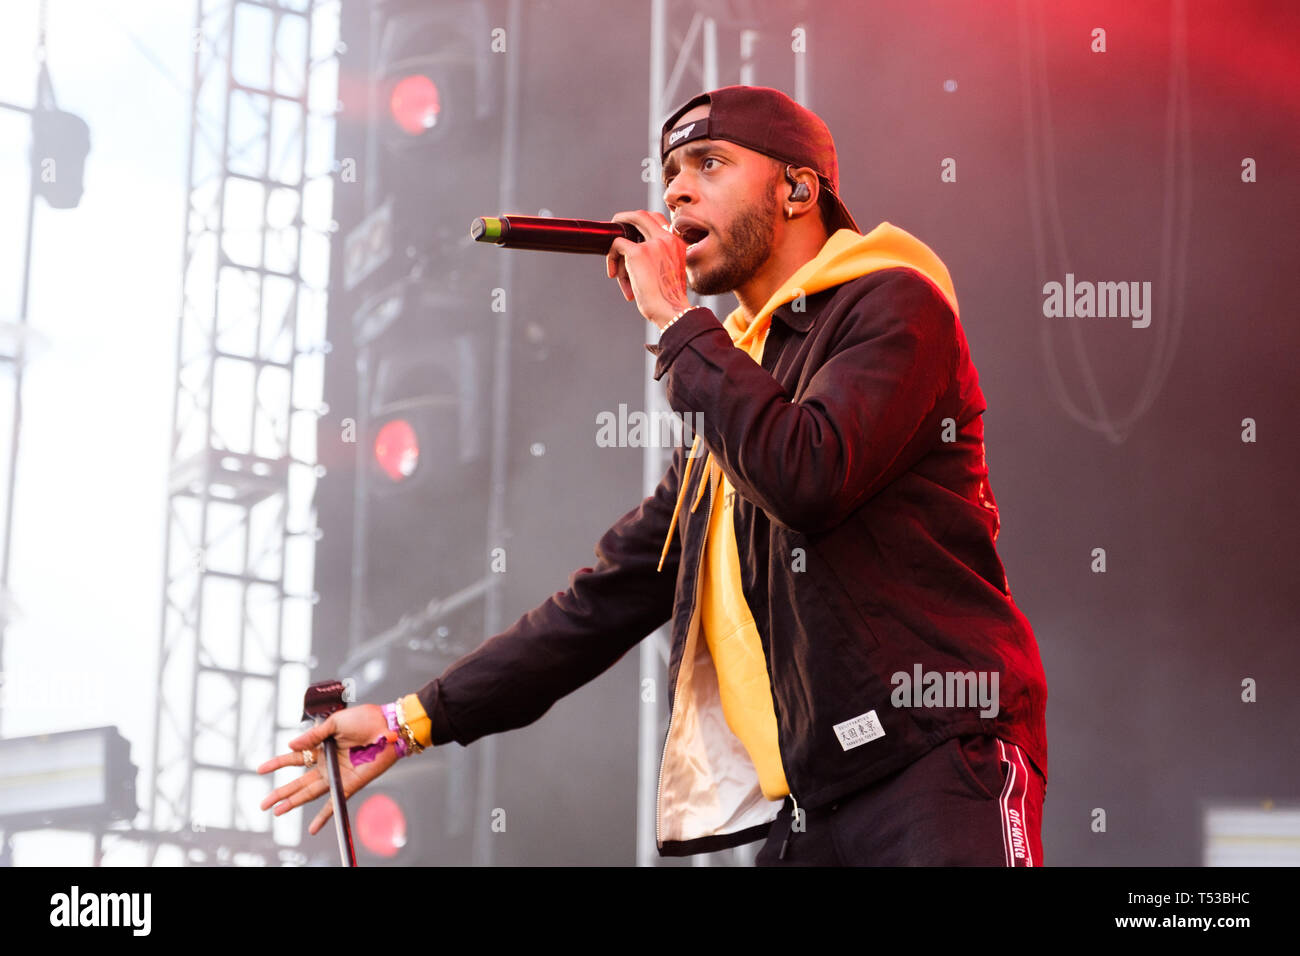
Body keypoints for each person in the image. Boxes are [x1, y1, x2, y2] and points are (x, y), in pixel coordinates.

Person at [259, 85, 1049, 866]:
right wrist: (408, 722)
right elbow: (605, 599)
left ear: (798, 188)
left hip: (941, 756)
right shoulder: (736, 392)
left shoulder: (893, 304)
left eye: (708, 163)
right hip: (816, 800)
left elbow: (810, 474)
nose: (675, 190)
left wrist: (677, 322)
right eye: (670, 171)